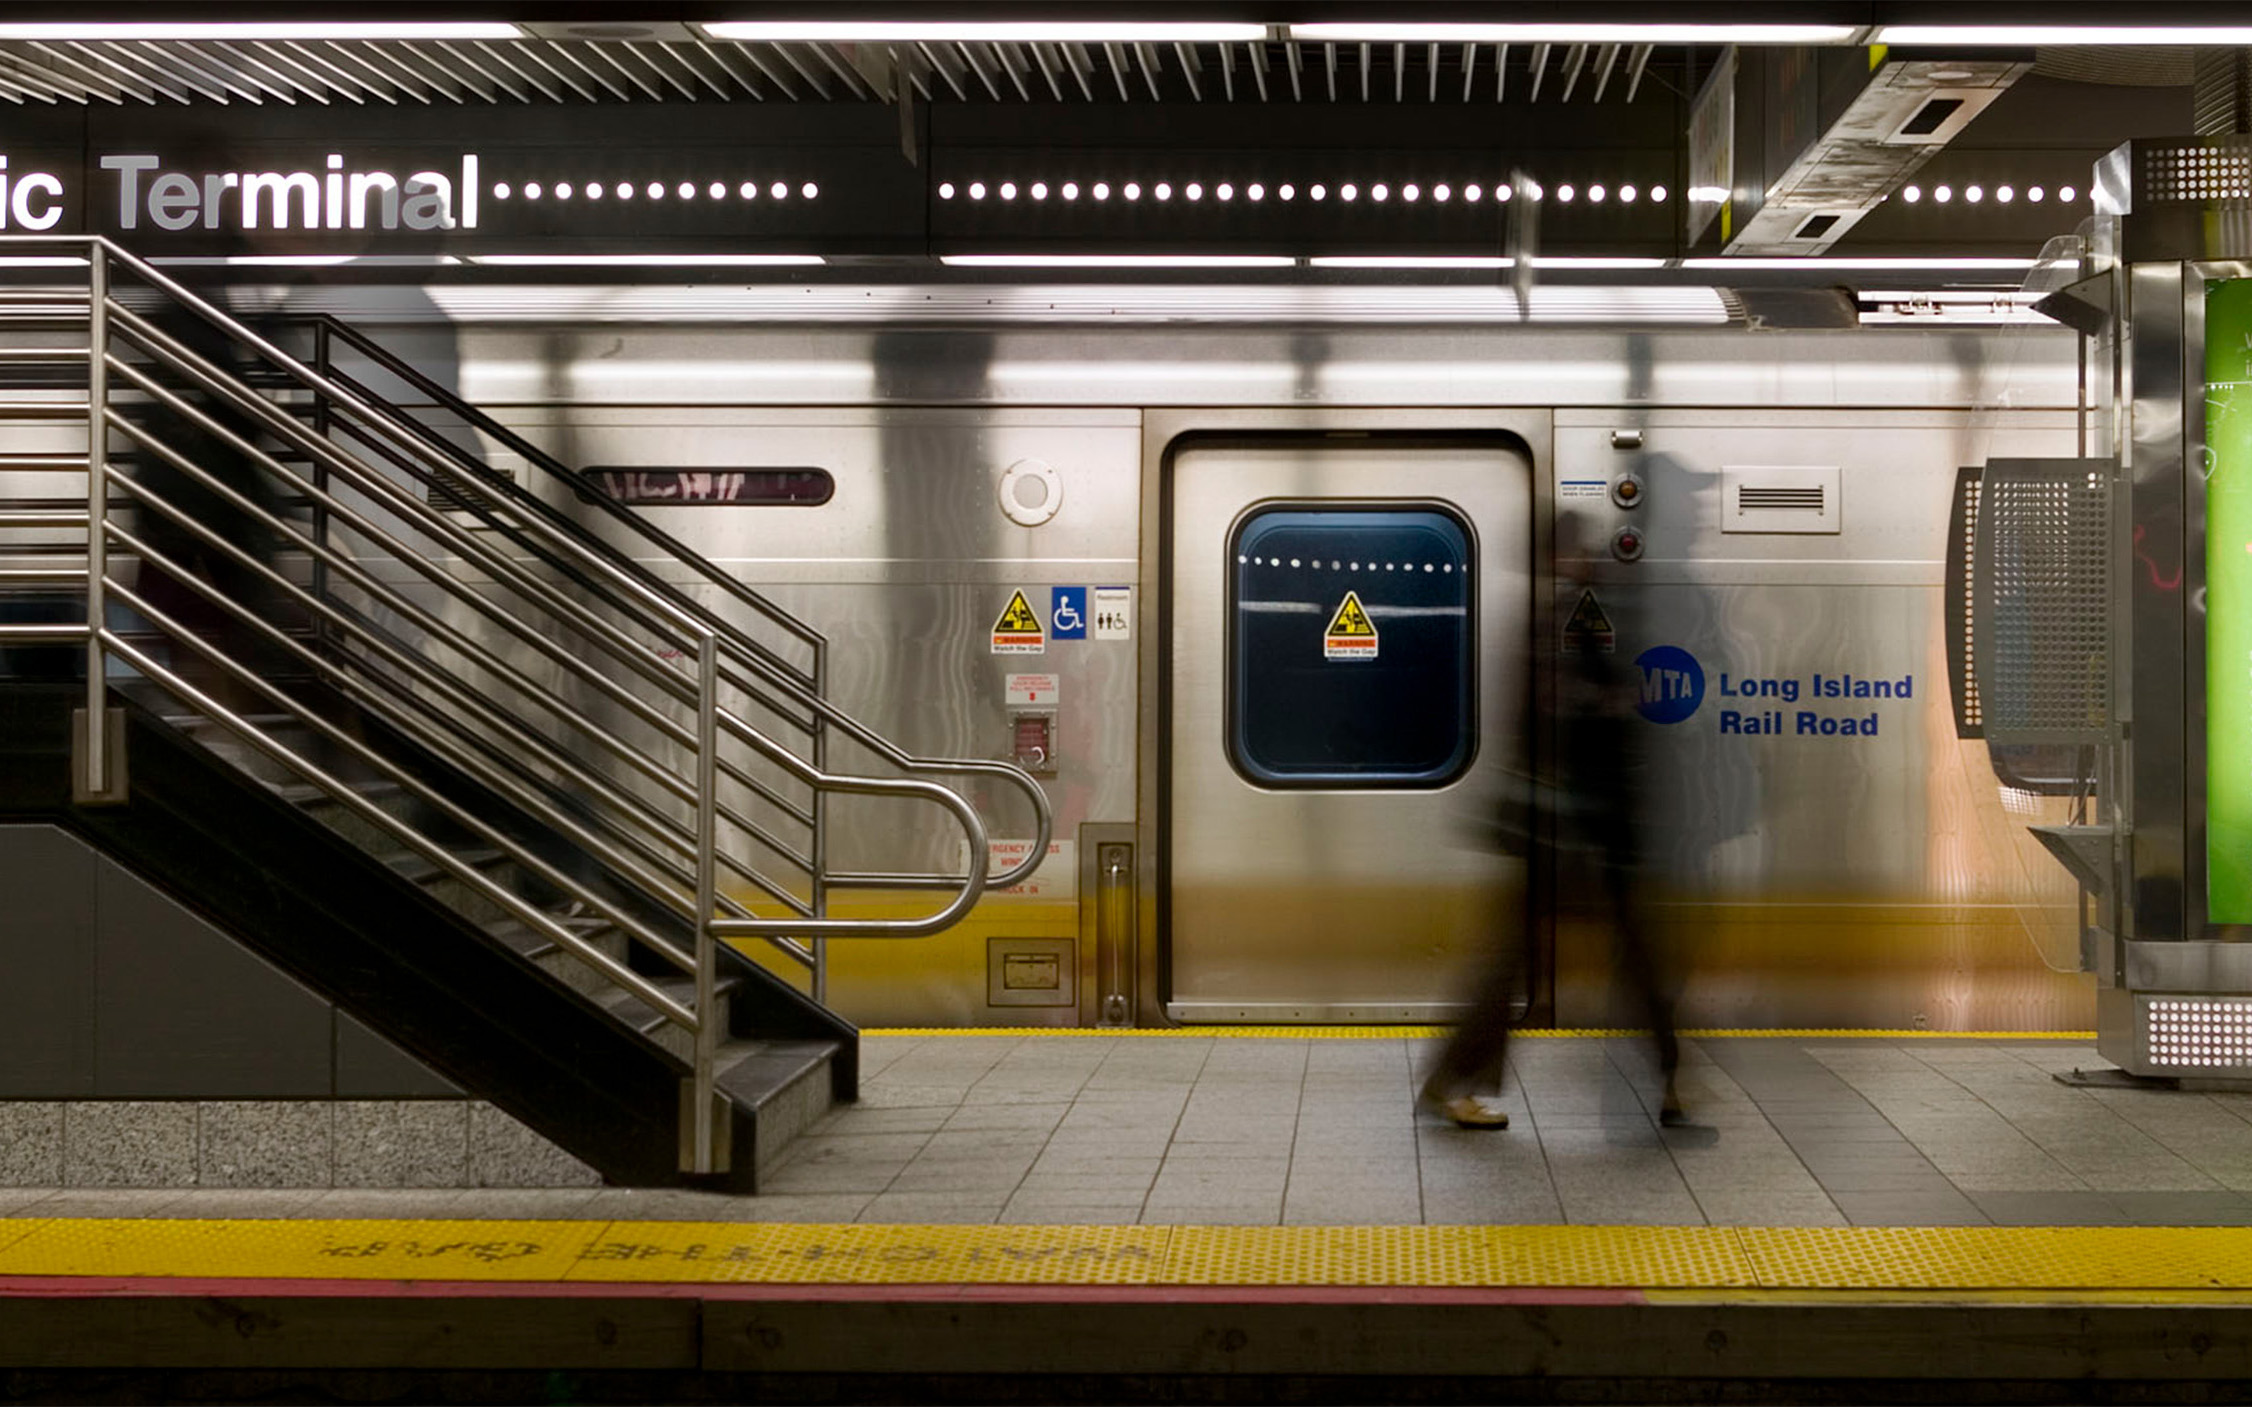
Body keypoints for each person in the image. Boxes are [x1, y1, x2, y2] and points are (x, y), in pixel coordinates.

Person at [1421, 514, 1684, 1129]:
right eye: (1580, 549)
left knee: (1541, 957)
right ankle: (1671, 1076)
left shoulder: (1553, 614)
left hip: (1554, 826)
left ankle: (1671, 1075)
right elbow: (1571, 711)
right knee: (1616, 950)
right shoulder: (1572, 614)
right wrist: (1621, 706)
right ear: (1563, 556)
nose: (1589, 557)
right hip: (1567, 830)